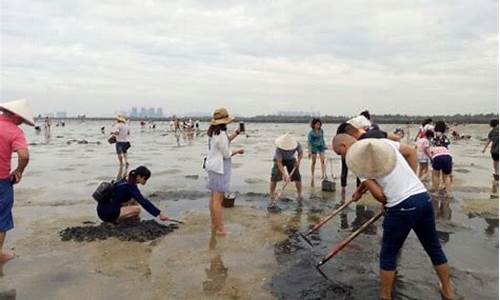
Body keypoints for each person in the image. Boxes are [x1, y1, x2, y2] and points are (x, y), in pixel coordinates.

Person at [334, 135, 453, 300]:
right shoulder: (383, 143)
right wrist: (361, 190)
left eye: (340, 153)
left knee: (388, 253)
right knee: (433, 247)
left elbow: (381, 196)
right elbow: (411, 152)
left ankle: (385, 296)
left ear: (343, 145)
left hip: (402, 207)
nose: (342, 157)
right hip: (422, 197)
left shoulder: (356, 160)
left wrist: (387, 198)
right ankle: (447, 291)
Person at [0, 99, 34, 263]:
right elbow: (24, 155)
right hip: (1, 180)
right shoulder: (14, 132)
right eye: (21, 119)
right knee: (1, 216)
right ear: (14, 115)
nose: (21, 122)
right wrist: (19, 170)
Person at [205, 108, 244, 236]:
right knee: (218, 200)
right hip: (219, 168)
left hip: (212, 166)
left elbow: (225, 142)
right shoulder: (220, 134)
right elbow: (226, 154)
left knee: (213, 198)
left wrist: (237, 133)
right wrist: (237, 151)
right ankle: (220, 229)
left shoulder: (214, 133)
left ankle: (214, 224)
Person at [97, 166, 170, 223]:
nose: (145, 181)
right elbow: (143, 202)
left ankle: (124, 219)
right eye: (145, 179)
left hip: (101, 210)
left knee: (133, 200)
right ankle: (116, 221)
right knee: (137, 209)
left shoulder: (124, 180)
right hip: (107, 214)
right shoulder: (130, 186)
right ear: (139, 177)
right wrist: (160, 214)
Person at [269, 133, 304, 210]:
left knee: (297, 176)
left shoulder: (297, 144)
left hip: (291, 159)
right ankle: (272, 194)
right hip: (279, 160)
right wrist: (284, 174)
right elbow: (279, 162)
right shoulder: (279, 149)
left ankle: (299, 194)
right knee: (274, 176)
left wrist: (298, 161)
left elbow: (301, 153)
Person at [307, 118, 326, 187]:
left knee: (323, 160)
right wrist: (309, 151)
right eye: (317, 124)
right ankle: (312, 175)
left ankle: (323, 175)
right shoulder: (311, 133)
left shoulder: (321, 131)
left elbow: (322, 139)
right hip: (313, 147)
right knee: (314, 162)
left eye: (319, 124)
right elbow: (309, 142)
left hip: (321, 147)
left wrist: (324, 146)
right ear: (314, 125)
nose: (318, 125)